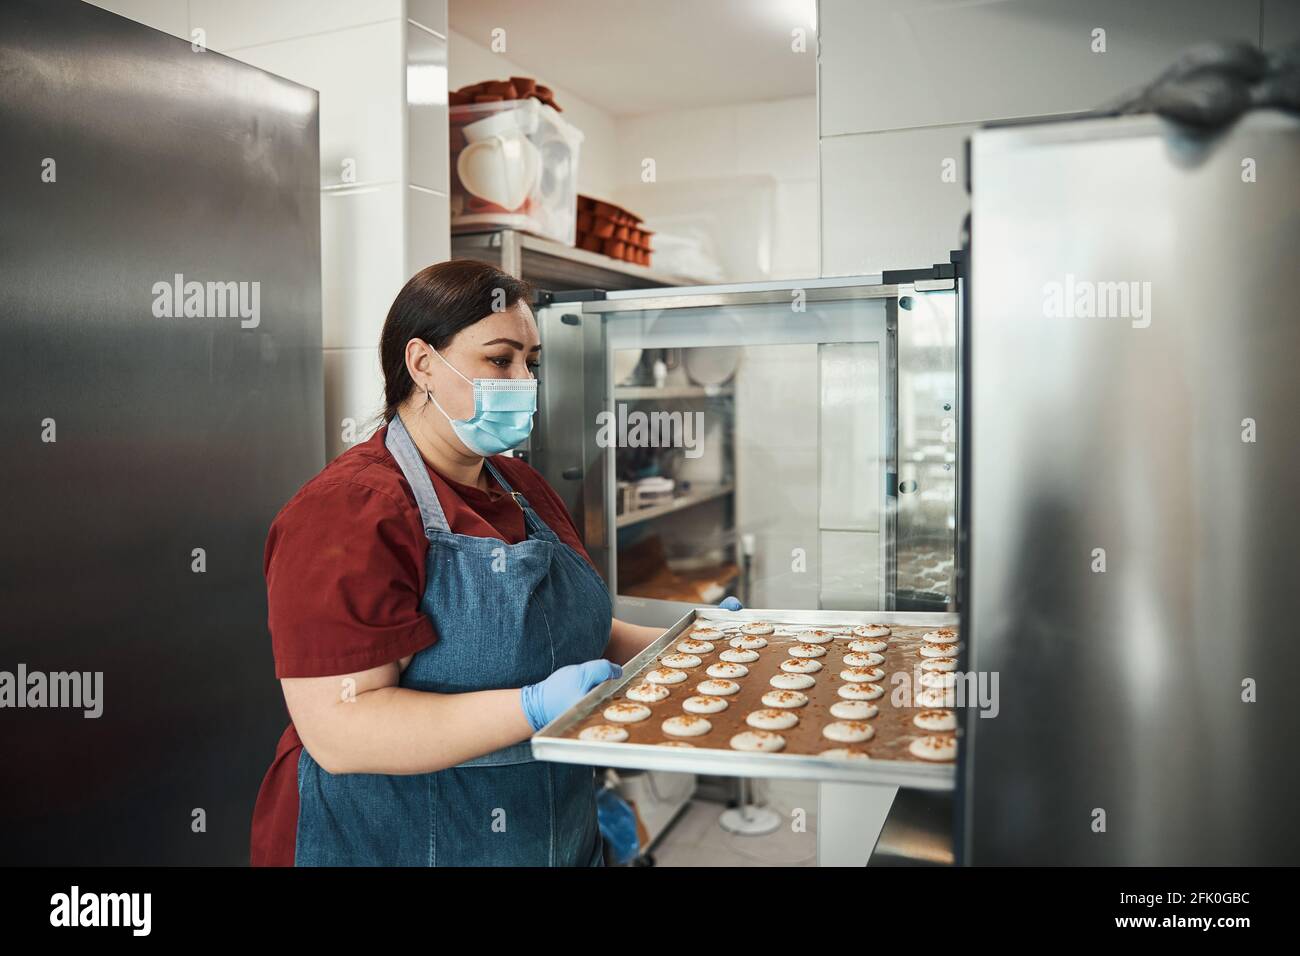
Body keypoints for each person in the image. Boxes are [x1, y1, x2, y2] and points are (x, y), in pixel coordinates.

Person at [249, 259, 736, 866]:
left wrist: (695, 645)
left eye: (530, 362)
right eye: (500, 360)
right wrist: (530, 708)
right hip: (401, 843)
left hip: (550, 834)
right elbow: (341, 730)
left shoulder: (520, 486)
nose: (523, 380)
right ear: (423, 363)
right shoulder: (349, 512)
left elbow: (572, 634)